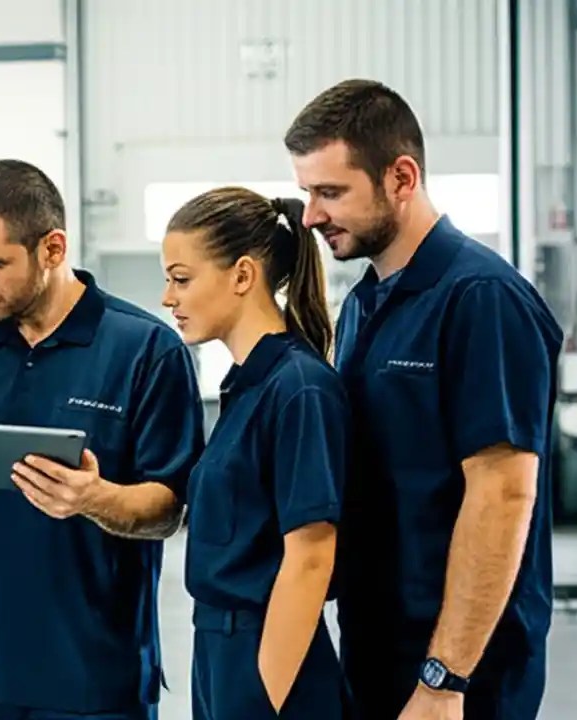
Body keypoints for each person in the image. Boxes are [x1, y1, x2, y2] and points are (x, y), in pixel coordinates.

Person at [283, 79, 564, 720]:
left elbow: (503, 494)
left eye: (330, 192)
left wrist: (444, 679)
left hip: (461, 674)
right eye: (307, 193)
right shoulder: (364, 304)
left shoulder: (481, 299)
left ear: (401, 178)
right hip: (377, 647)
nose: (311, 216)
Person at [0, 159, 205, 720]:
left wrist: (93, 498)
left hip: (96, 677)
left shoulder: (146, 350)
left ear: (53, 249)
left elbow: (169, 507)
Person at [160, 187, 350, 719]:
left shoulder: (299, 389)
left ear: (243, 275)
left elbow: (311, 558)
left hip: (268, 652)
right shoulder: (248, 386)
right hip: (218, 648)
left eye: (181, 279)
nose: (168, 298)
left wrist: (261, 699)